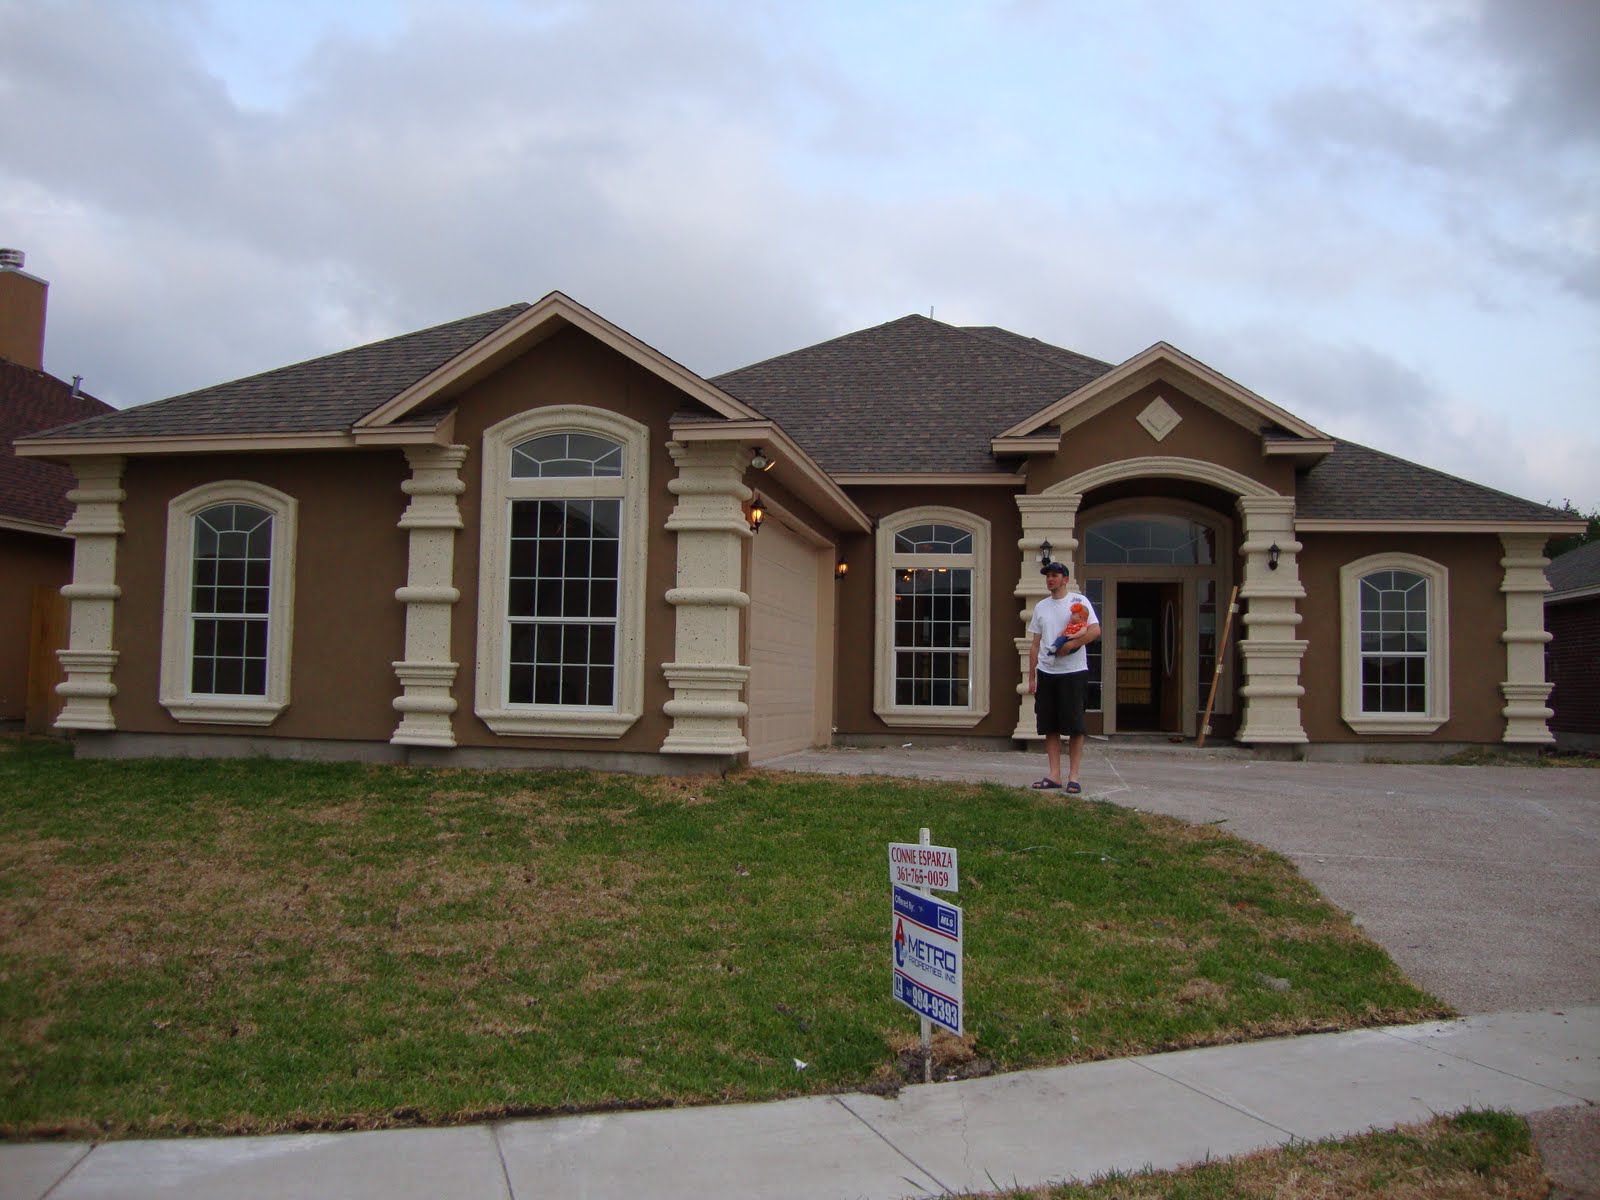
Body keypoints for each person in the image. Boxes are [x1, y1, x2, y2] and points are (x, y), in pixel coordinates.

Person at [1027, 561, 1102, 794]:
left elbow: (1094, 630)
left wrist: (1071, 645)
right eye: (1048, 575)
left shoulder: (1079, 602)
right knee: (1050, 725)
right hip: (1047, 672)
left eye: (1055, 575)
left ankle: (1074, 777)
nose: (1050, 579)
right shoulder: (1041, 607)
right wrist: (1032, 676)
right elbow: (1035, 644)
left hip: (1073, 672)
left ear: (1065, 579)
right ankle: (1054, 775)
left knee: (1075, 726)